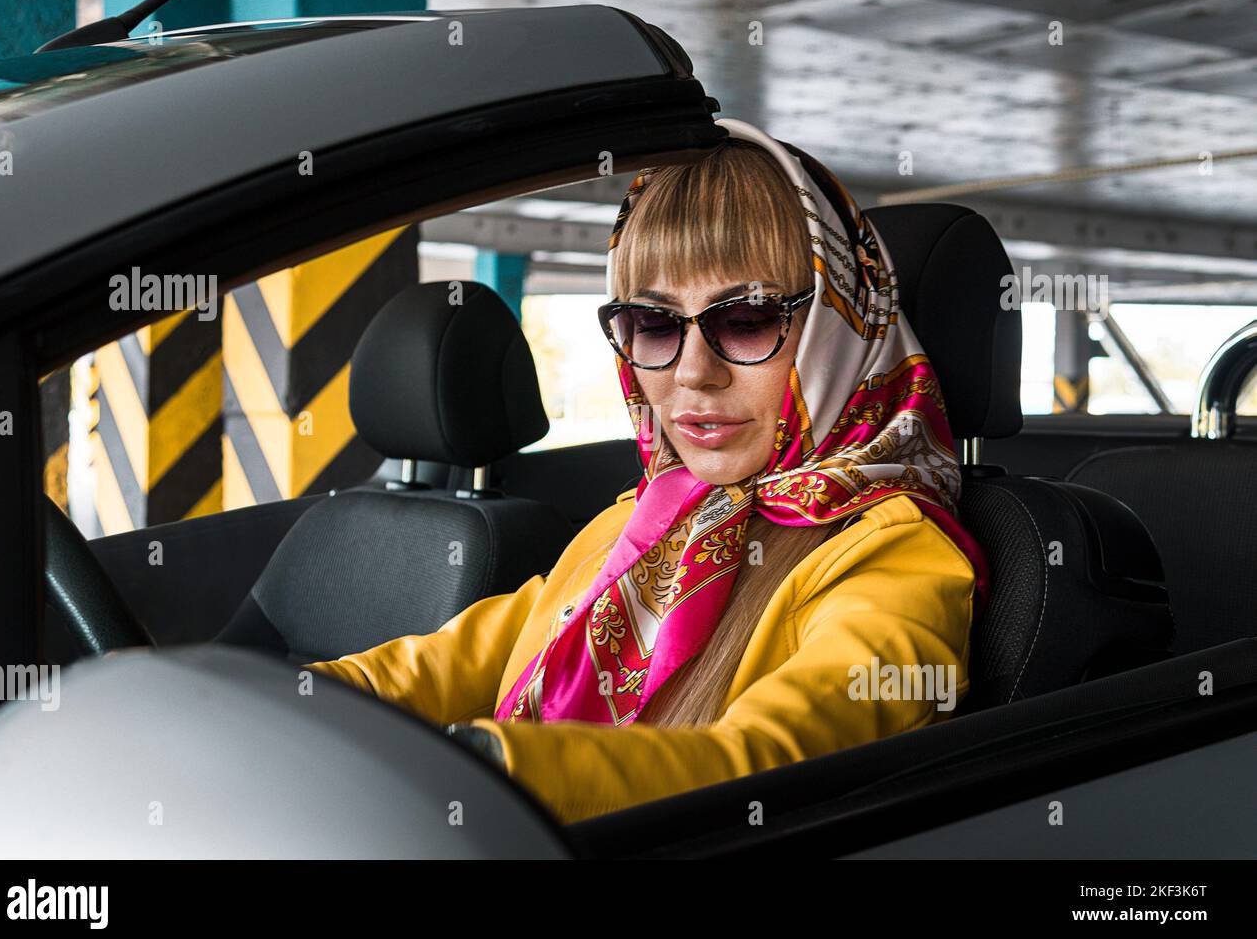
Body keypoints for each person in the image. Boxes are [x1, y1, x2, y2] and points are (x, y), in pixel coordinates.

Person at [304, 118, 990, 824]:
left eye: (748, 320)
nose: (694, 373)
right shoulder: (640, 518)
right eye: (655, 326)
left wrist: (487, 773)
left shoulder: (897, 554)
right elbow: (454, 661)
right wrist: (276, 702)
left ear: (838, 328)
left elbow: (766, 764)